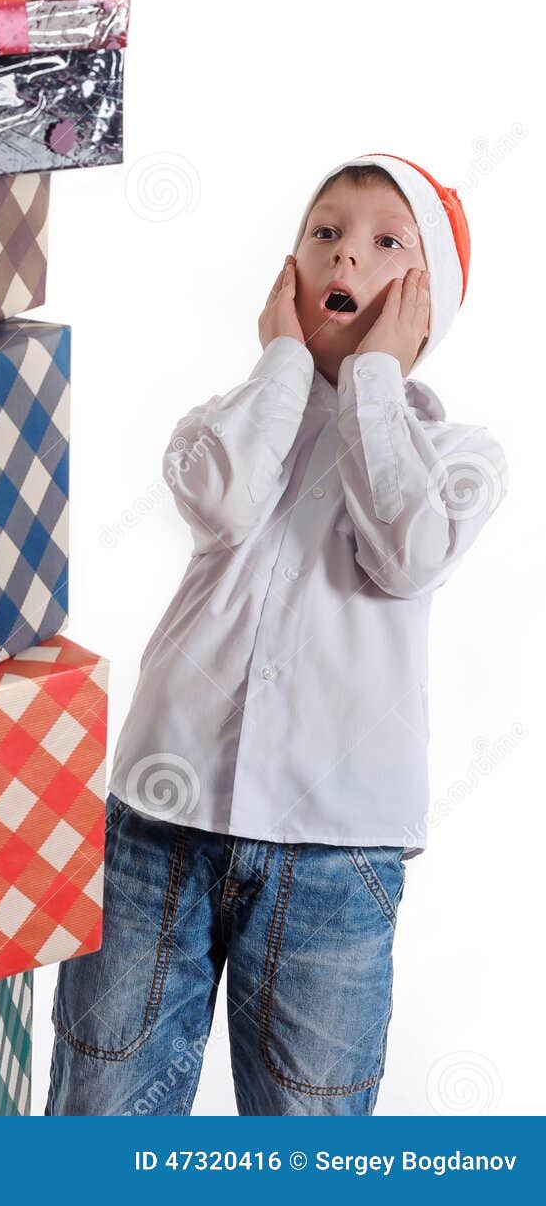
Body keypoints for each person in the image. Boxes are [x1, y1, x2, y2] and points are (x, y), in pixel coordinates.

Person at [47, 155, 506, 1116]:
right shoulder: (226, 422)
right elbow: (221, 502)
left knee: (310, 1129)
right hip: (157, 829)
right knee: (101, 1099)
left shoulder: (456, 456)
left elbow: (406, 552)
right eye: (324, 231)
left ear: (428, 301)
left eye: (387, 242)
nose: (345, 250)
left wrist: (374, 375)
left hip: (336, 856)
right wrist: (283, 359)